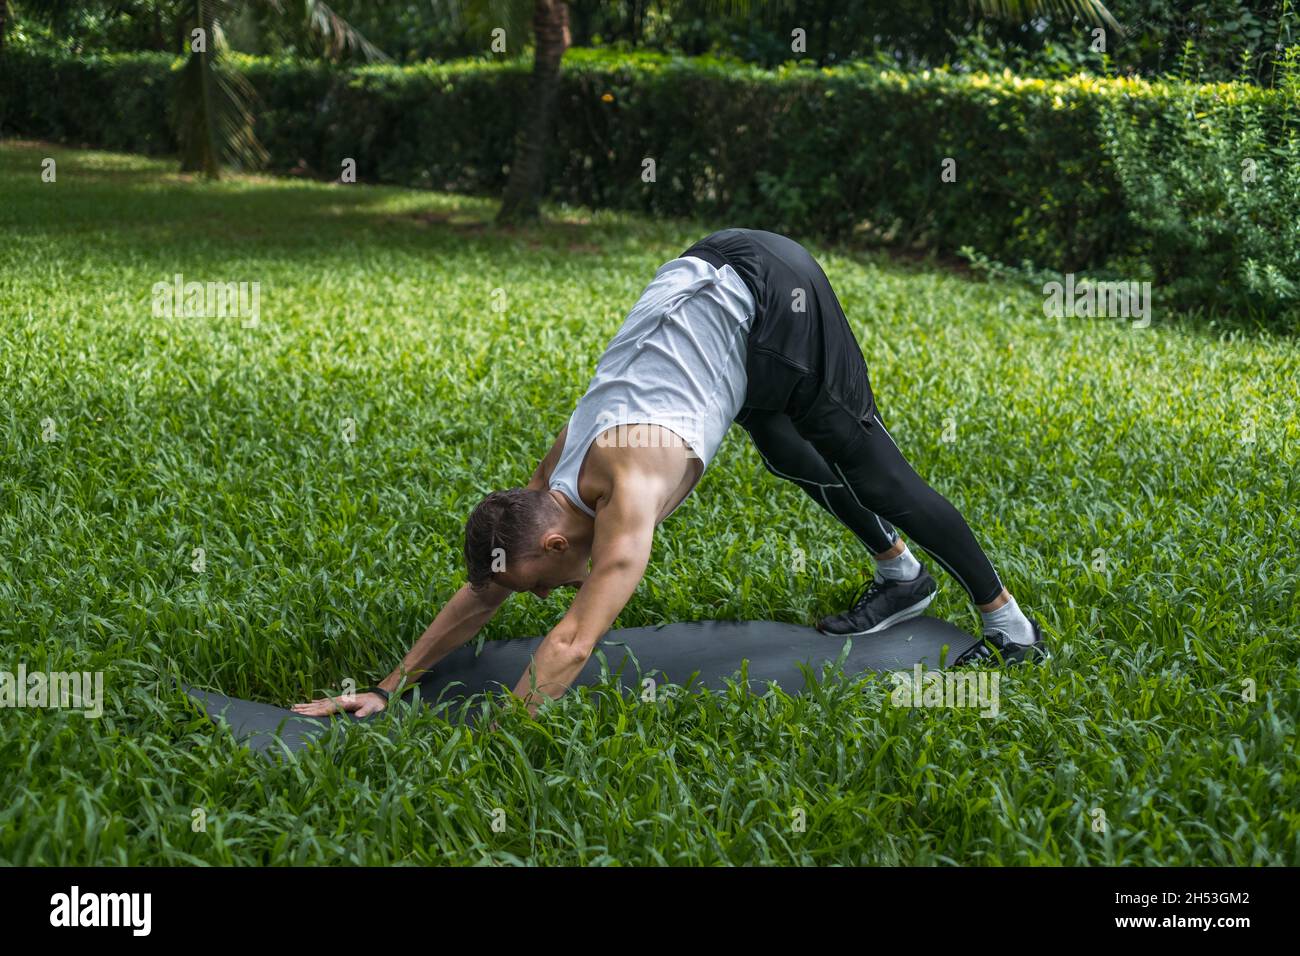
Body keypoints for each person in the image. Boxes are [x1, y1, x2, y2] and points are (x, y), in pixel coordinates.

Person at [293, 228, 1045, 720]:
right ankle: (899, 576)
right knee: (782, 446)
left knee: (876, 473)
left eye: (545, 585)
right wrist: (388, 687)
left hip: (776, 303)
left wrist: (482, 751)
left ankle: (1009, 623)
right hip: (706, 280)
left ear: (557, 547)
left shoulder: (629, 503)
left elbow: (572, 644)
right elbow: (489, 583)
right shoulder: (545, 486)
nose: (548, 597)